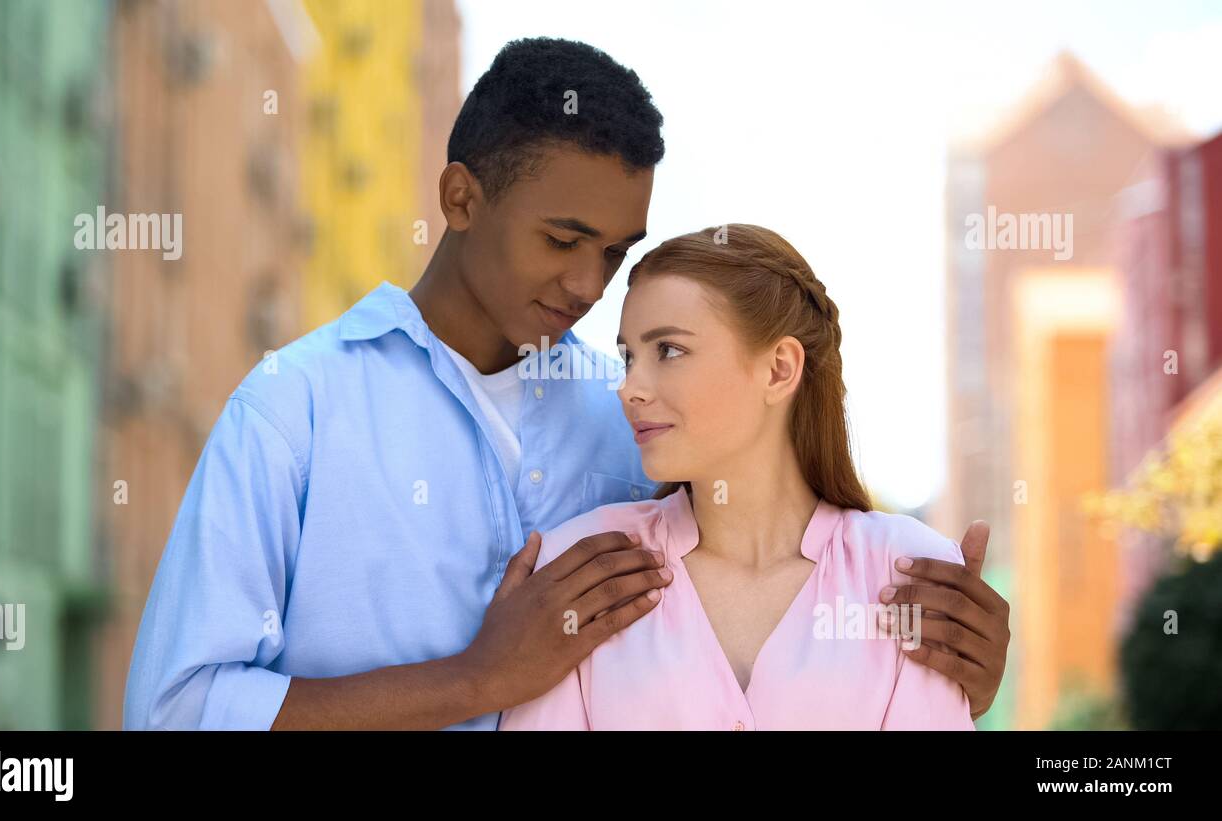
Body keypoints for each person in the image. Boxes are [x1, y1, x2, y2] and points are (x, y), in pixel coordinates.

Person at [123, 39, 1008, 731]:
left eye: (614, 252)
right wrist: (476, 679)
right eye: (562, 239)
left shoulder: (636, 418)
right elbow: (177, 709)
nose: (589, 284)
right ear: (461, 198)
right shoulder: (295, 410)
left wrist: (962, 663)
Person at [500, 225, 983, 729]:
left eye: (668, 350)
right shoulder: (579, 570)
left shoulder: (909, 573)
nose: (629, 388)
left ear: (779, 369)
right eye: (628, 358)